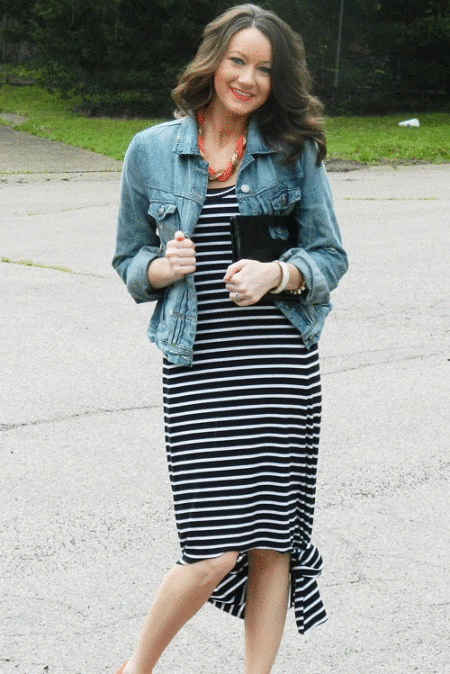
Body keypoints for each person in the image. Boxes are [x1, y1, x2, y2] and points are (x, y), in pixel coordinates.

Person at [112, 4, 348, 674]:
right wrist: (163, 268)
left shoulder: (292, 153)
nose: (247, 78)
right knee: (212, 552)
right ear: (213, 60)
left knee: (273, 541)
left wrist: (278, 273)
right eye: (237, 61)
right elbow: (128, 261)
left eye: (264, 69)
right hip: (198, 371)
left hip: (279, 371)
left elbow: (329, 257)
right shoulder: (151, 150)